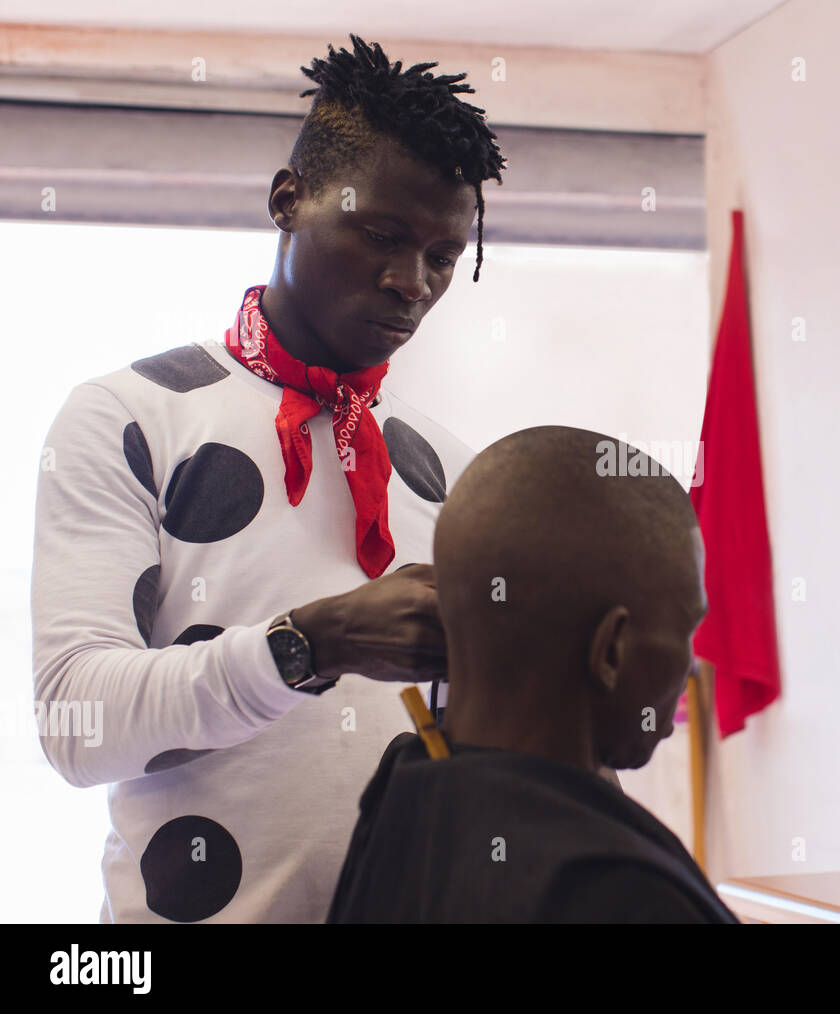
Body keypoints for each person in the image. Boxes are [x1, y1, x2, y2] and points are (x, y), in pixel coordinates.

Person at [30, 35, 507, 923]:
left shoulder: (456, 469)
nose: (412, 283)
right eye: (382, 235)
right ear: (288, 200)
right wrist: (309, 646)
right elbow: (74, 723)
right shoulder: (128, 414)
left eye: (445, 257)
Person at [327, 426, 740, 923]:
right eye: (685, 629)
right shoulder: (621, 892)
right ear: (611, 648)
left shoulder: (404, 789)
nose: (689, 665)